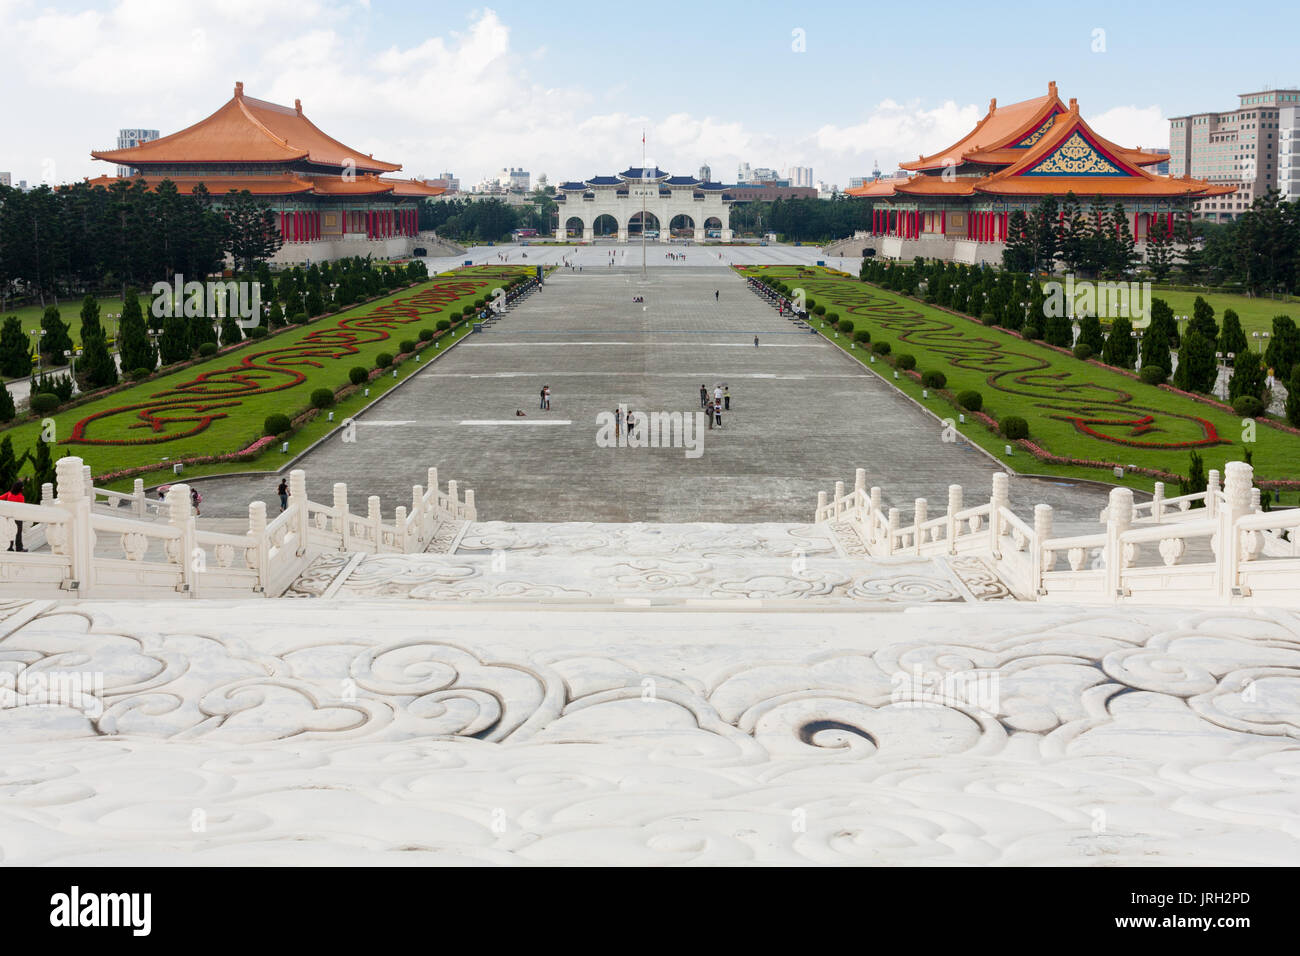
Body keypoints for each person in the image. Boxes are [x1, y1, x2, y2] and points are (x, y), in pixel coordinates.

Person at [1, 481, 25, 552]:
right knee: (18, 533)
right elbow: (22, 508)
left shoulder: (9, 493)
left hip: (8, 517)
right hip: (17, 517)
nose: (23, 488)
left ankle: (10, 547)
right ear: (20, 488)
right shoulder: (21, 497)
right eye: (22, 486)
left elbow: (0, 498)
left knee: (10, 532)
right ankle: (19, 548)